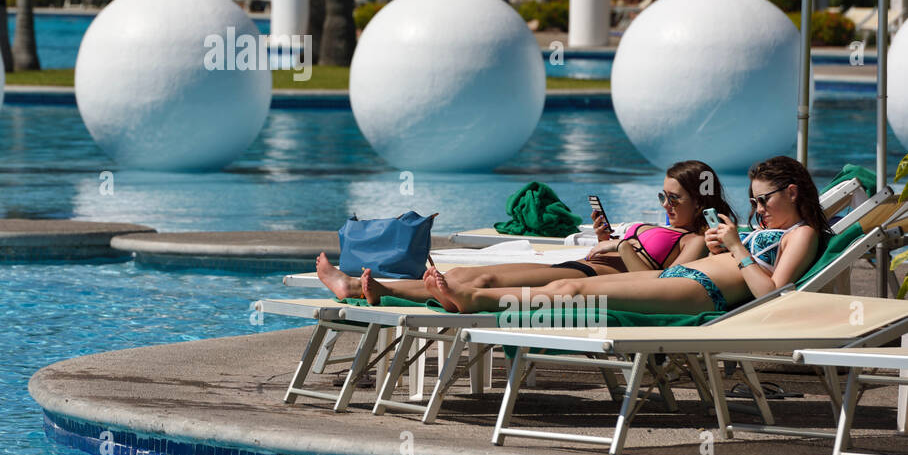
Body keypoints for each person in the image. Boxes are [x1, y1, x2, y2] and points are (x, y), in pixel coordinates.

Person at [421, 155, 828, 315]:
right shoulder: (770, 230)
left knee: (578, 294)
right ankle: (468, 295)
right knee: (563, 283)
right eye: (754, 201)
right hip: (679, 278)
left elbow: (776, 293)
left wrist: (738, 249)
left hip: (703, 290)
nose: (758, 210)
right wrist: (728, 247)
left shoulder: (803, 234)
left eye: (764, 200)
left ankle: (476, 301)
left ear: (792, 192)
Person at [317, 160, 734, 305]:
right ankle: (373, 288)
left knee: (482, 280)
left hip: (595, 279)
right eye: (663, 195)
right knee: (461, 274)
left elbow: (663, 284)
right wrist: (608, 238)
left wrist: (619, 245)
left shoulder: (695, 241)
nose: (666, 205)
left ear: (701, 202)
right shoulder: (666, 228)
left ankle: (358, 287)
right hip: (581, 264)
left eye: (675, 199)